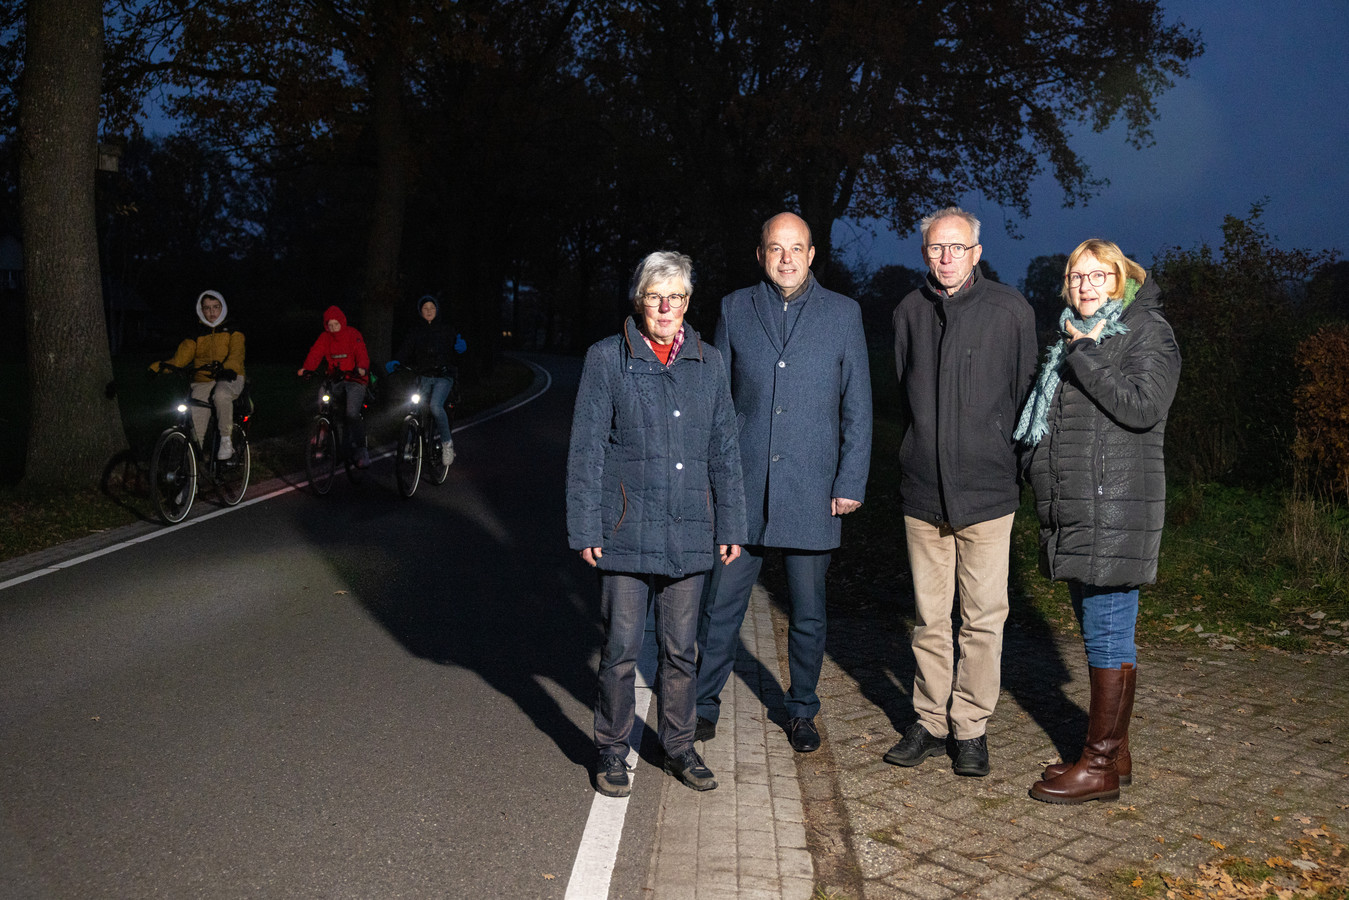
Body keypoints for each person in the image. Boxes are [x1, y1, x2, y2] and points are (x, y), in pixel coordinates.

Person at [567, 251, 746, 798]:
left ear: (689, 303)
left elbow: (725, 451)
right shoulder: (606, 359)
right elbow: (587, 449)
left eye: (677, 297)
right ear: (639, 300)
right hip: (623, 529)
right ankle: (612, 750)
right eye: (654, 296)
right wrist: (585, 526)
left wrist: (731, 524)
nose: (666, 307)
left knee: (680, 651)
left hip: (690, 528)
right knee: (621, 649)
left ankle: (678, 745)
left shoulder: (709, 363)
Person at [695, 212, 872, 755]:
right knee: (720, 606)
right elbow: (717, 403)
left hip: (813, 491)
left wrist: (850, 480)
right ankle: (702, 705)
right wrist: (713, 481)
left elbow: (858, 407)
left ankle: (801, 711)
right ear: (761, 255)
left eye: (797, 248)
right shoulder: (734, 308)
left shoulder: (844, 314)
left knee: (808, 613)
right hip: (743, 491)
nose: (787, 258)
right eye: (777, 248)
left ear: (812, 254)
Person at [1015, 239, 1180, 804]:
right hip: (1079, 507)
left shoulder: (1145, 332)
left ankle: (1101, 765)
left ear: (1121, 278)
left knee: (1108, 630)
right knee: (1096, 628)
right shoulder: (1069, 336)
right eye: (1076, 277)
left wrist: (1083, 354)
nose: (1085, 286)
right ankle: (1116, 749)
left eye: (1098, 276)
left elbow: (1141, 407)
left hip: (1116, 508)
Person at [884, 206, 1037, 777]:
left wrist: (1010, 467)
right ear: (924, 253)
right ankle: (929, 720)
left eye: (957, 247)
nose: (945, 258)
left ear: (976, 252)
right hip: (924, 494)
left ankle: (971, 727)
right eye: (935, 248)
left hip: (987, 495)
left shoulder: (1010, 310)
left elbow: (1027, 401)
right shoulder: (908, 312)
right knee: (928, 618)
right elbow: (904, 394)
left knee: (983, 618)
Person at [150, 290, 245, 460]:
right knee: (195, 416)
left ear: (222, 307)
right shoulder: (197, 332)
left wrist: (229, 368)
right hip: (203, 381)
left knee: (221, 395)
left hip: (229, 377)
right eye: (207, 308)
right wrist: (159, 367)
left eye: (215, 307)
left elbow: (236, 353)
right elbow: (181, 358)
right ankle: (192, 465)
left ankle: (226, 441)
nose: (211, 312)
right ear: (201, 309)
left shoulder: (232, 329)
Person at [387, 295, 467, 468]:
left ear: (437, 310)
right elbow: (406, 348)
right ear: (420, 312)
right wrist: (396, 361)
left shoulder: (447, 329)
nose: (429, 311)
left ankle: (447, 445)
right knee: (412, 406)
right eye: (425, 308)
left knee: (435, 407)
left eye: (432, 307)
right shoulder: (416, 331)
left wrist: (460, 348)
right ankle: (407, 445)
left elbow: (458, 351)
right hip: (423, 376)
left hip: (443, 377)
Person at [298, 305, 372, 468]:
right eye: (330, 325)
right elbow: (315, 352)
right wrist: (307, 368)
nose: (333, 328)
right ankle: (323, 430)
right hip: (335, 379)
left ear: (342, 322)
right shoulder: (325, 338)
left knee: (352, 413)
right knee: (323, 400)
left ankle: (361, 450)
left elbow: (361, 353)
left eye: (336, 324)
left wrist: (361, 367)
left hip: (355, 380)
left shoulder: (353, 334)